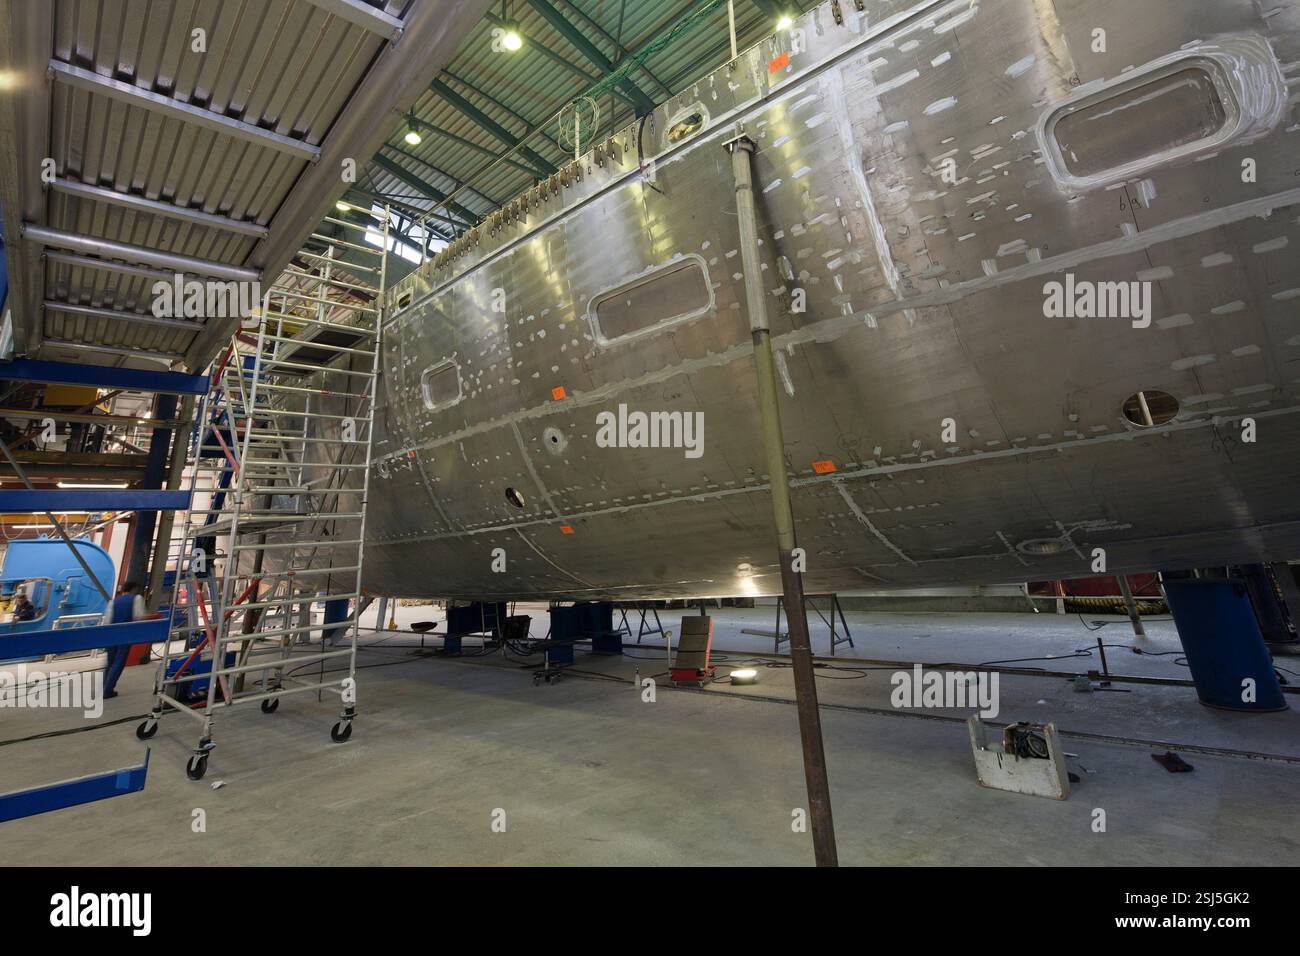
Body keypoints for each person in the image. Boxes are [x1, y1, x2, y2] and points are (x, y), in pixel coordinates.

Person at [102, 580, 145, 699]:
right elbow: (139, 617)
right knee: (119, 662)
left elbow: (107, 620)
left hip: (111, 634)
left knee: (109, 662)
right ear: (134, 588)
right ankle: (108, 689)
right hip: (126, 634)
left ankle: (104, 686)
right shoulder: (137, 599)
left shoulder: (113, 601)